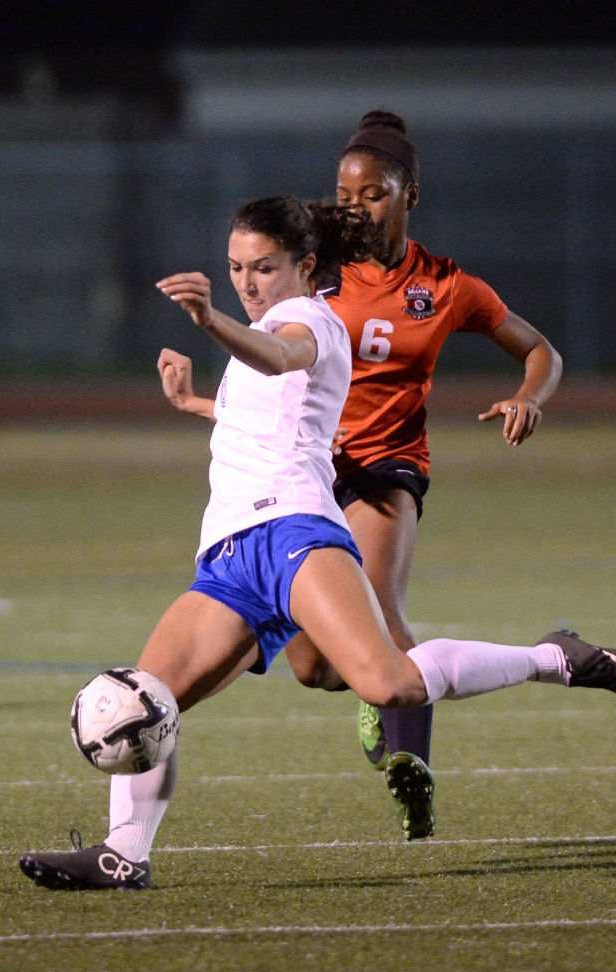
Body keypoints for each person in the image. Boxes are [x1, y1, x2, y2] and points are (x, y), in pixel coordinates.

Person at [19, 194, 616, 892]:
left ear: (306, 264)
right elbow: (262, 417)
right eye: (234, 267)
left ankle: (553, 657)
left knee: (389, 682)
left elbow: (279, 357)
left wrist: (211, 319)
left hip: (294, 529)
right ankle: (124, 853)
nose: (246, 280)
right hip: (229, 552)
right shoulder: (262, 330)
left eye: (262, 266)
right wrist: (191, 403)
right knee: (148, 694)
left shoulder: (310, 321)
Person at [165, 111, 565, 842]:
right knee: (313, 665)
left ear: (411, 194)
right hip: (312, 473)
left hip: (387, 467)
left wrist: (526, 396)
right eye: (344, 193)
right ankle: (374, 689)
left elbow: (540, 349)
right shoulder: (316, 277)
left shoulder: (445, 286)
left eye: (372, 193)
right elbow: (276, 382)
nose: (354, 206)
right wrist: (198, 399)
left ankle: (410, 760)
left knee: (377, 605)